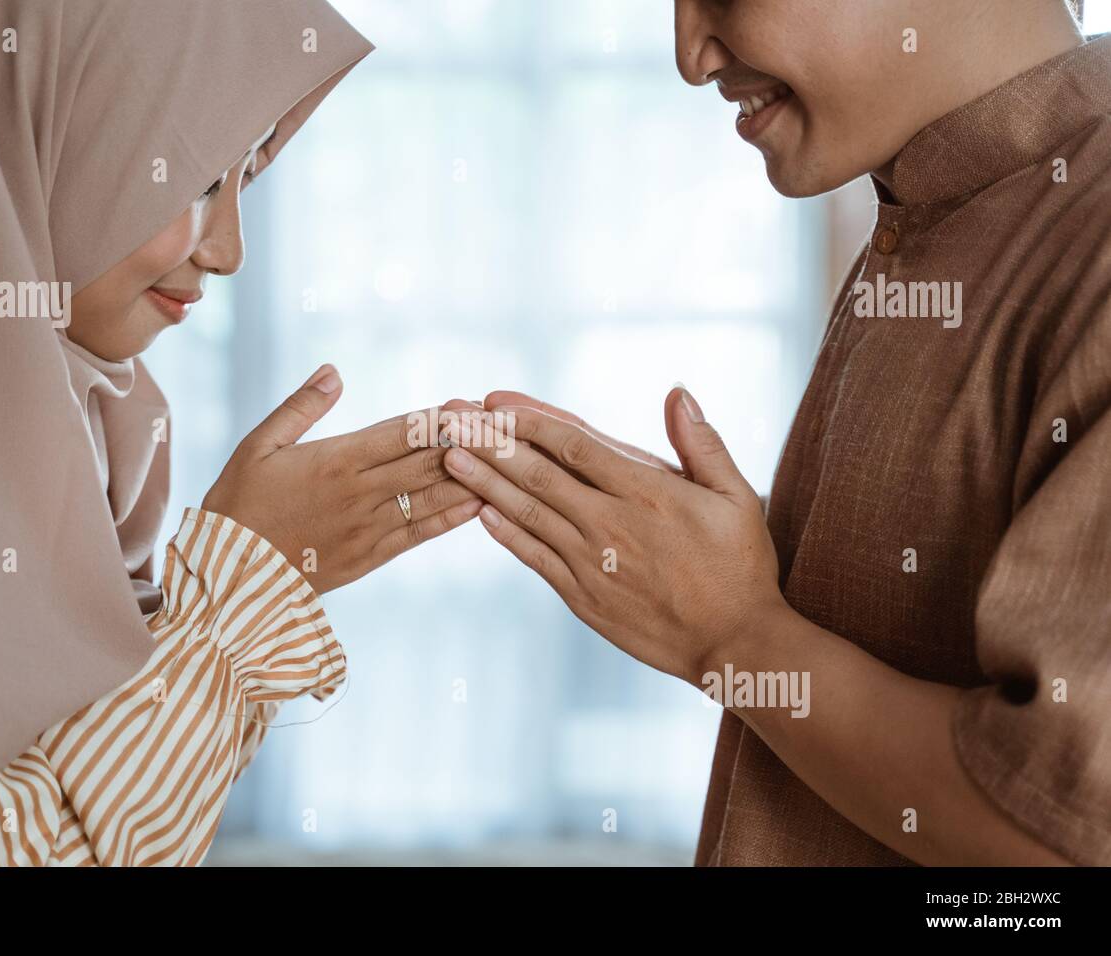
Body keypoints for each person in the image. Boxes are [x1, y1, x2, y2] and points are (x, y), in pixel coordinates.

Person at [440, 0, 1110, 865]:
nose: (690, 55)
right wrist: (720, 561)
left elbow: (1062, 835)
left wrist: (736, 635)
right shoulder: (940, 207)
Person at [0, 0, 478, 865]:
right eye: (198, 180)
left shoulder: (74, 431)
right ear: (27, 121)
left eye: (246, 175)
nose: (229, 249)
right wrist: (240, 589)